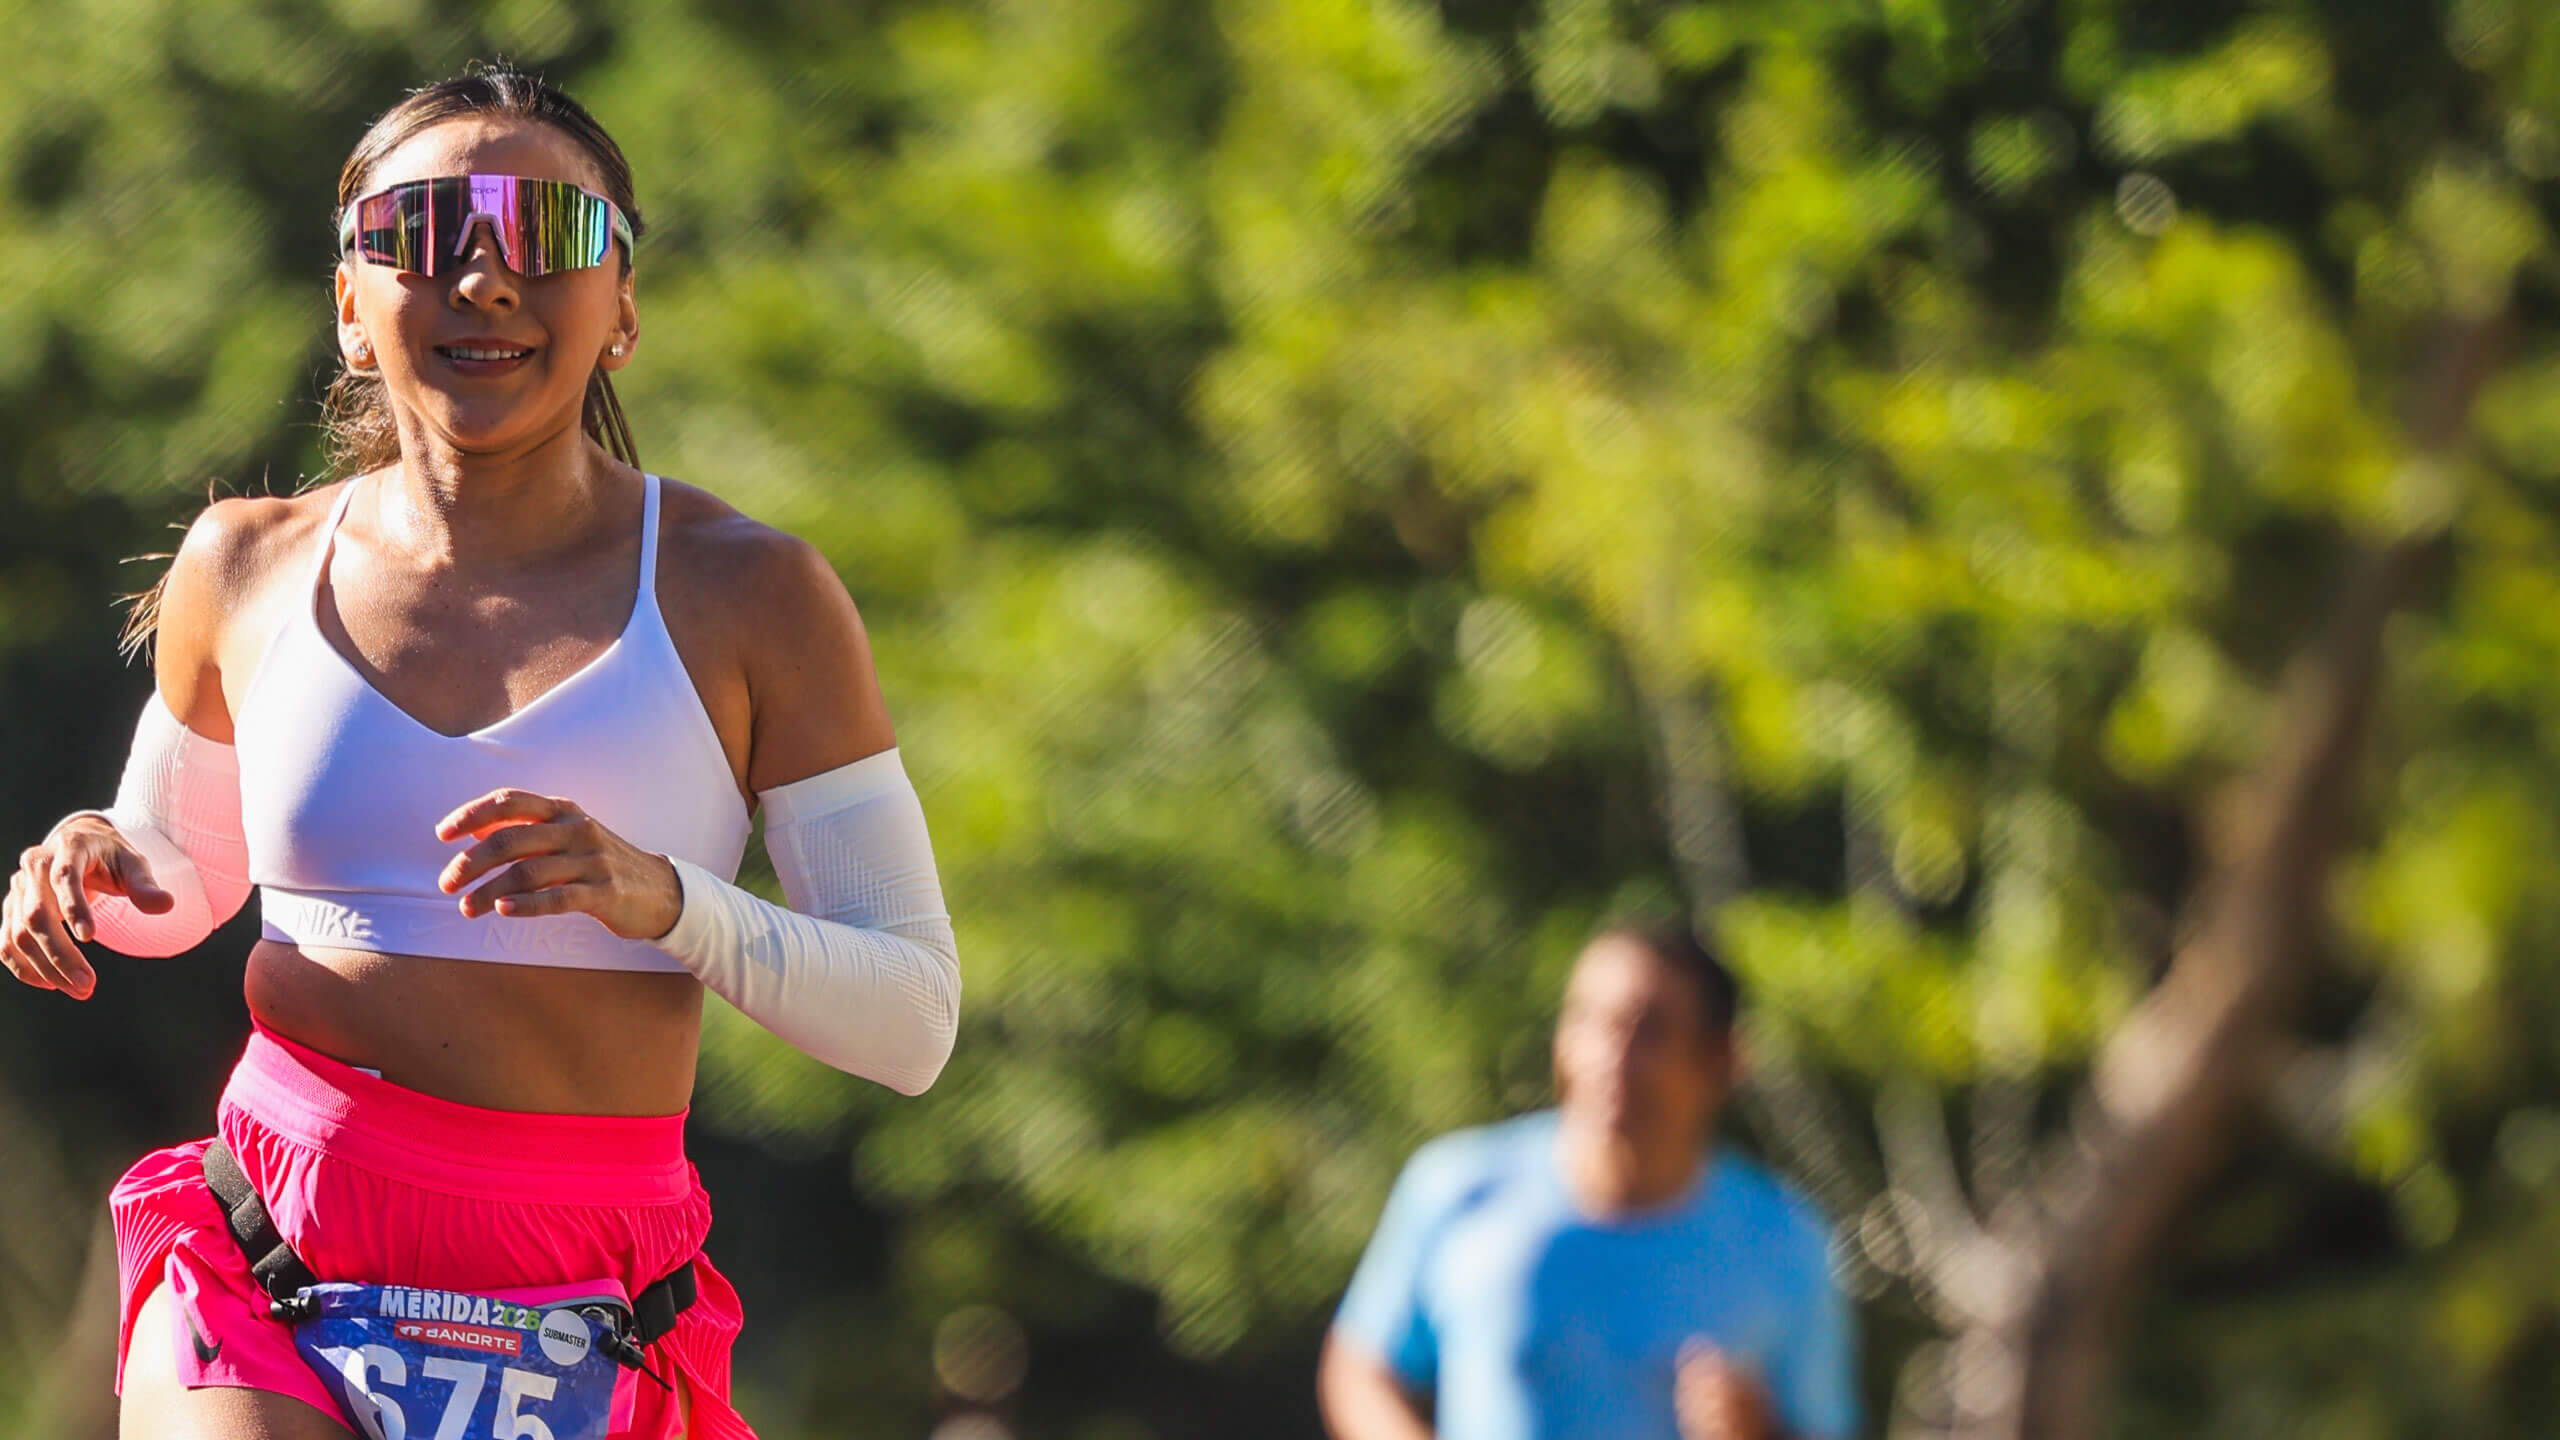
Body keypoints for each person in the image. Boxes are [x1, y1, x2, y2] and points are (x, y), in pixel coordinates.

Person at [0, 67, 958, 1440]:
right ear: (349, 303)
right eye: (423, 231)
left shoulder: (753, 595)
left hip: (591, 1297)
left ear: (623, 304)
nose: (487, 276)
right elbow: (181, 882)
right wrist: (93, 862)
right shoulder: (250, 563)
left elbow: (913, 1020)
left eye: (549, 232)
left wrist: (666, 900)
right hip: (276, 1255)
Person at [1319, 926, 1858, 1440]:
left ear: (1721, 1060)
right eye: (1589, 1021)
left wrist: (1757, 1430)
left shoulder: (1784, 1239)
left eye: (1649, 1031)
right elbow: (1361, 1371)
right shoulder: (1458, 1187)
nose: (1610, 1058)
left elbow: (1823, 1425)